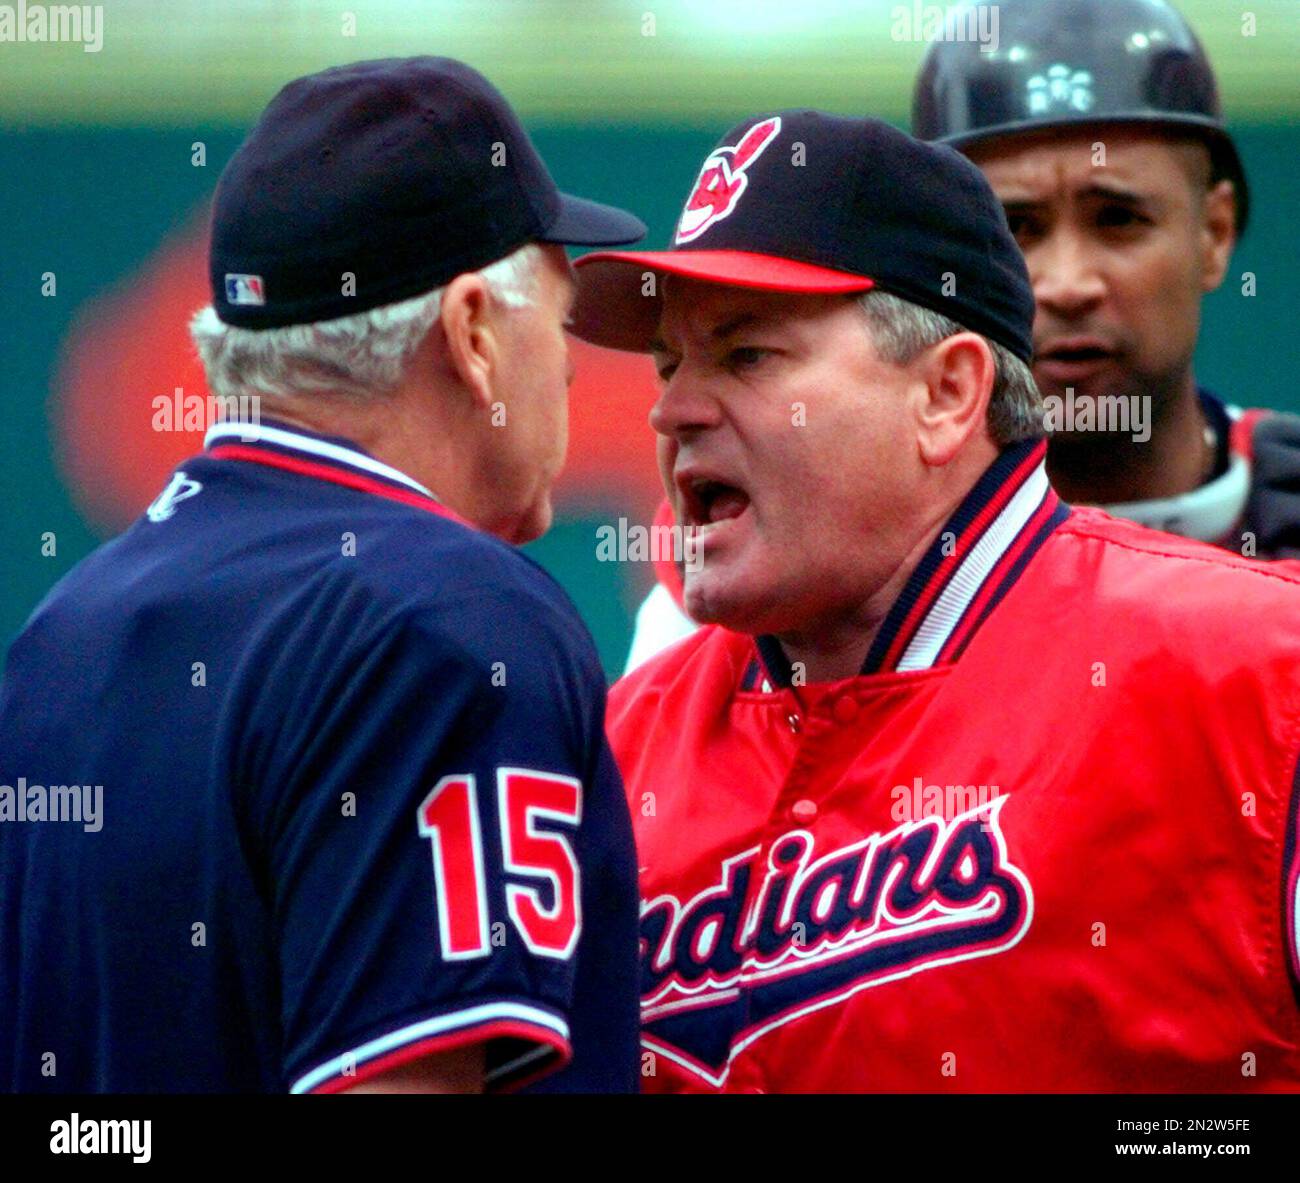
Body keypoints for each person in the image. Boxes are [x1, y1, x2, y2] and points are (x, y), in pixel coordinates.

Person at [567, 109, 1300, 1092]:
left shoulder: (1255, 669)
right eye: (669, 362)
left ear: (947, 395)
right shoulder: (615, 750)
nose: (671, 409)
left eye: (745, 356)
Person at [0, 57, 646, 1094]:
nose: (566, 363)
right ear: (473, 332)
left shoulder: (62, 632)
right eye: (555, 325)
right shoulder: (450, 620)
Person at [624, 0, 1300, 672]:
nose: (1067, 282)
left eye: (1119, 219)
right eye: (1017, 227)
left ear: (1214, 231)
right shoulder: (768, 588)